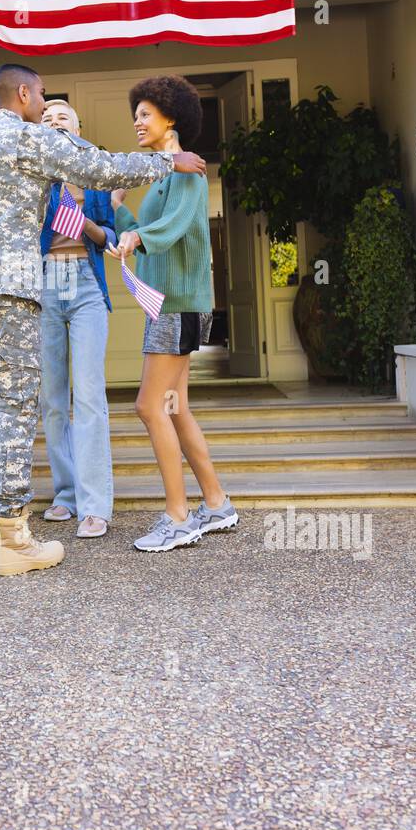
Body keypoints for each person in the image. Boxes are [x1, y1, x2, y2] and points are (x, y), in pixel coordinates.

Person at [0, 63, 207, 578]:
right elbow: (99, 166)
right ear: (24, 94)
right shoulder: (27, 139)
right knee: (14, 407)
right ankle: (13, 538)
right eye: (41, 95)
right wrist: (171, 163)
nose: (42, 103)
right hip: (8, 288)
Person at [109, 75, 239, 552]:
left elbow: (176, 225)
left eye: (145, 114)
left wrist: (140, 236)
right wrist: (124, 217)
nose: (137, 122)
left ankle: (178, 518)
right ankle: (217, 502)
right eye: (136, 114)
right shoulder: (166, 174)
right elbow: (151, 232)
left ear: (171, 117)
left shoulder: (188, 171)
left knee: (149, 405)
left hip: (178, 305)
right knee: (174, 407)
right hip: (170, 303)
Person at [39, 100, 116, 539]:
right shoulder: (34, 173)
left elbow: (108, 235)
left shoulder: (95, 168)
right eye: (46, 118)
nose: (54, 122)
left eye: (62, 116)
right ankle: (66, 495)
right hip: (46, 282)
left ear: (79, 125)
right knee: (52, 399)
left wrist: (84, 224)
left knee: (88, 396)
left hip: (86, 284)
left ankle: (95, 505)